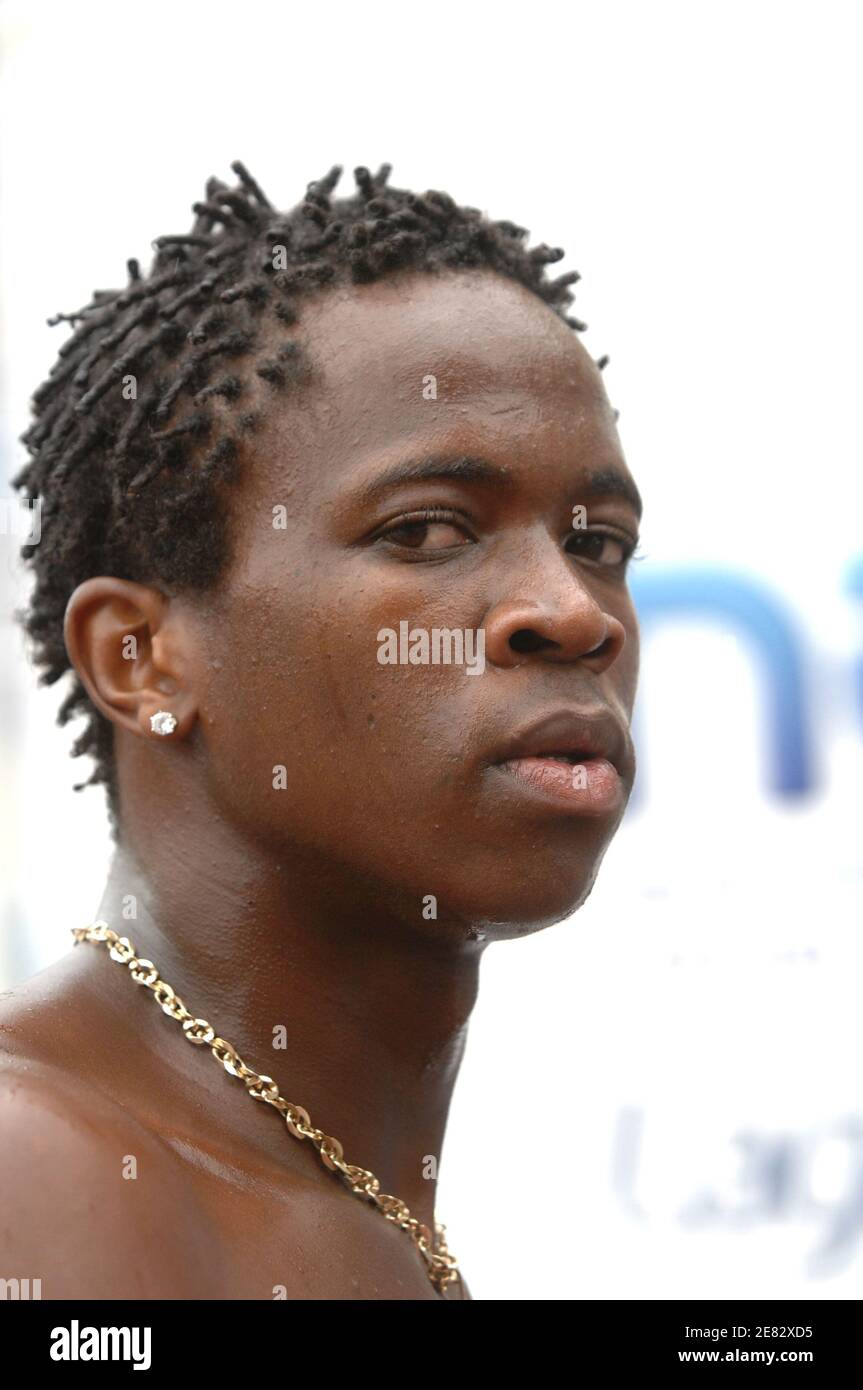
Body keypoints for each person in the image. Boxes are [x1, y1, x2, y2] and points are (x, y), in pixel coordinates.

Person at [0, 161, 642, 1300]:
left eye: (595, 541)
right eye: (429, 531)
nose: (572, 611)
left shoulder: (347, 1206)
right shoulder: (37, 1170)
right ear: (138, 656)